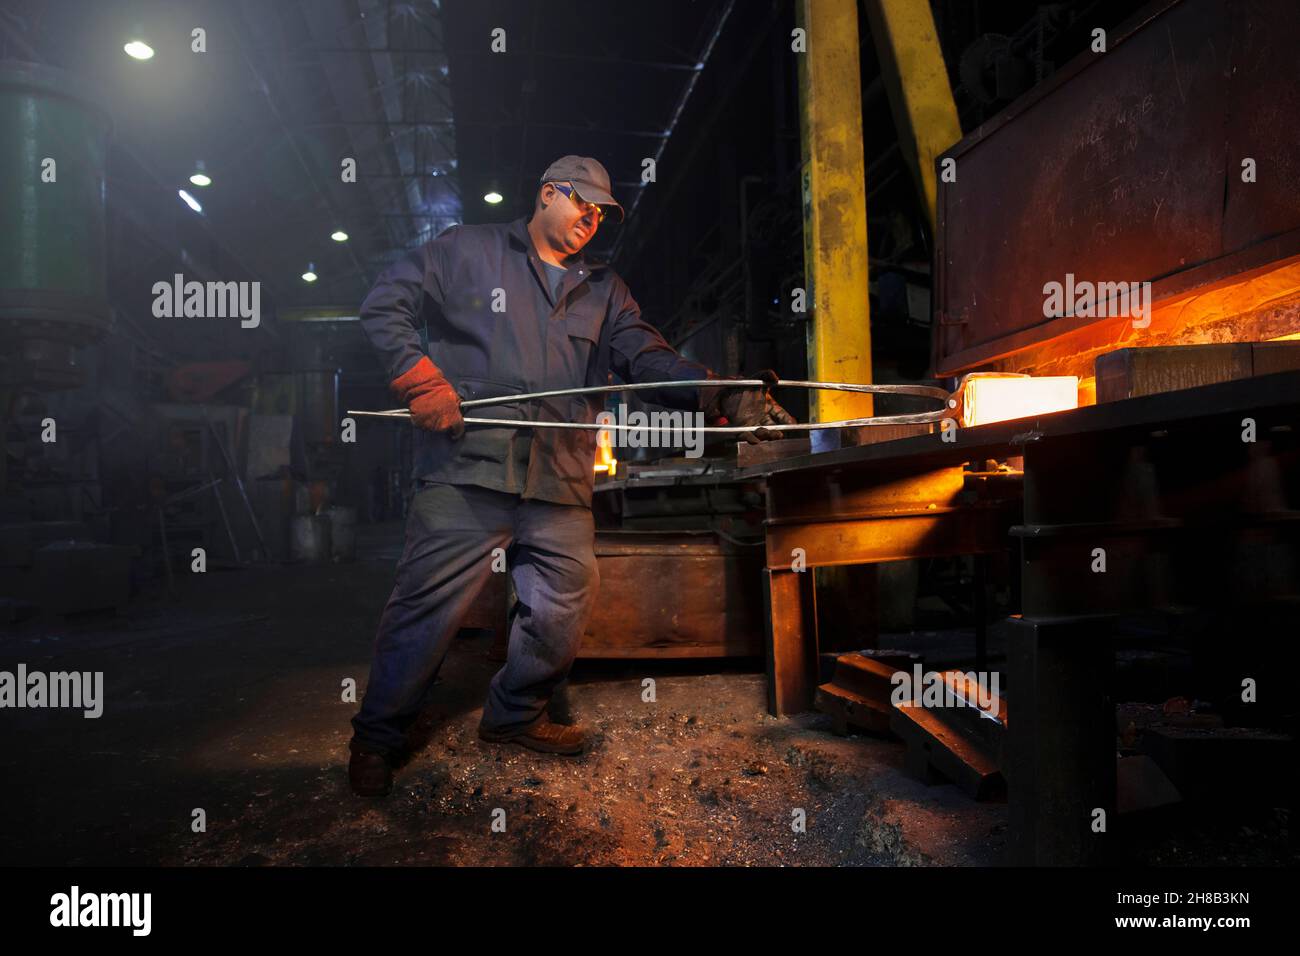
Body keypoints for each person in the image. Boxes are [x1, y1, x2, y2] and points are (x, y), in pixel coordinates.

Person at [348, 155, 795, 796]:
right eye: (581, 202)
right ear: (547, 194)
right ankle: (378, 738)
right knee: (426, 607)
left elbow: (647, 360)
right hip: (468, 467)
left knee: (564, 601)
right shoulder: (467, 249)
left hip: (557, 477)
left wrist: (719, 394)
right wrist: (419, 377)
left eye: (601, 212)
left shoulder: (604, 289)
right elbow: (385, 302)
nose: (591, 218)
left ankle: (515, 714)